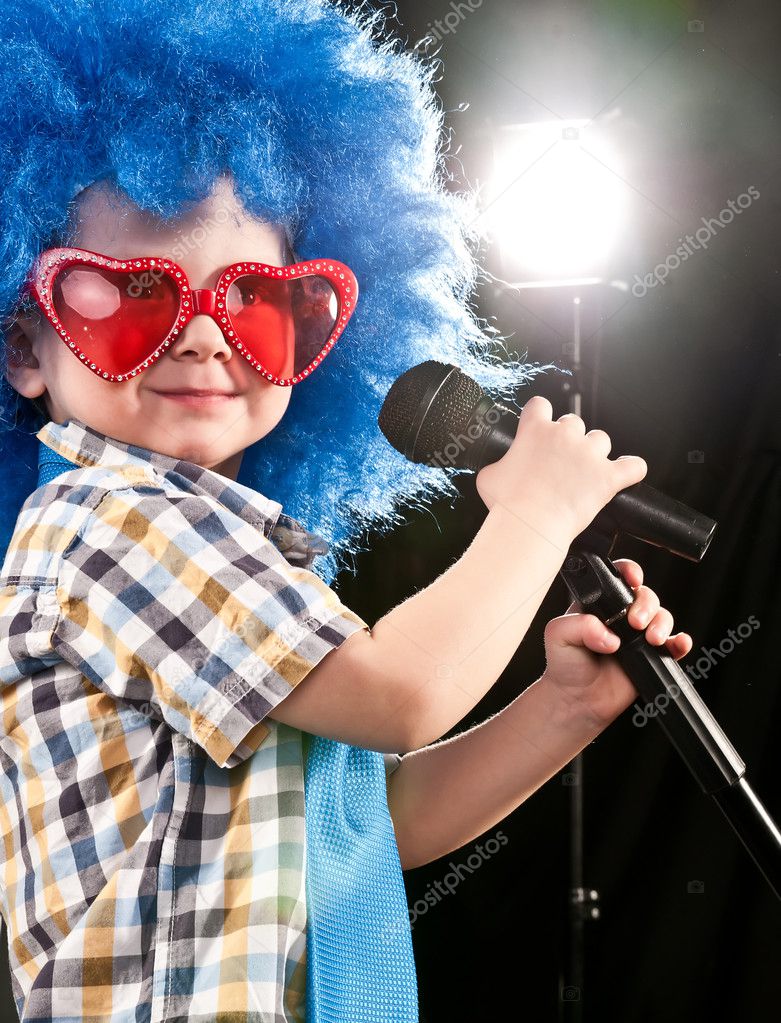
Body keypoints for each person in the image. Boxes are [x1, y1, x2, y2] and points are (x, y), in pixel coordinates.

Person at [0, 2, 692, 1021]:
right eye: (134, 296)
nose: (202, 341)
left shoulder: (232, 553)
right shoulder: (104, 525)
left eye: (255, 302)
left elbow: (359, 834)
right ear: (25, 348)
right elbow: (397, 696)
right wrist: (533, 517)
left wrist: (563, 708)